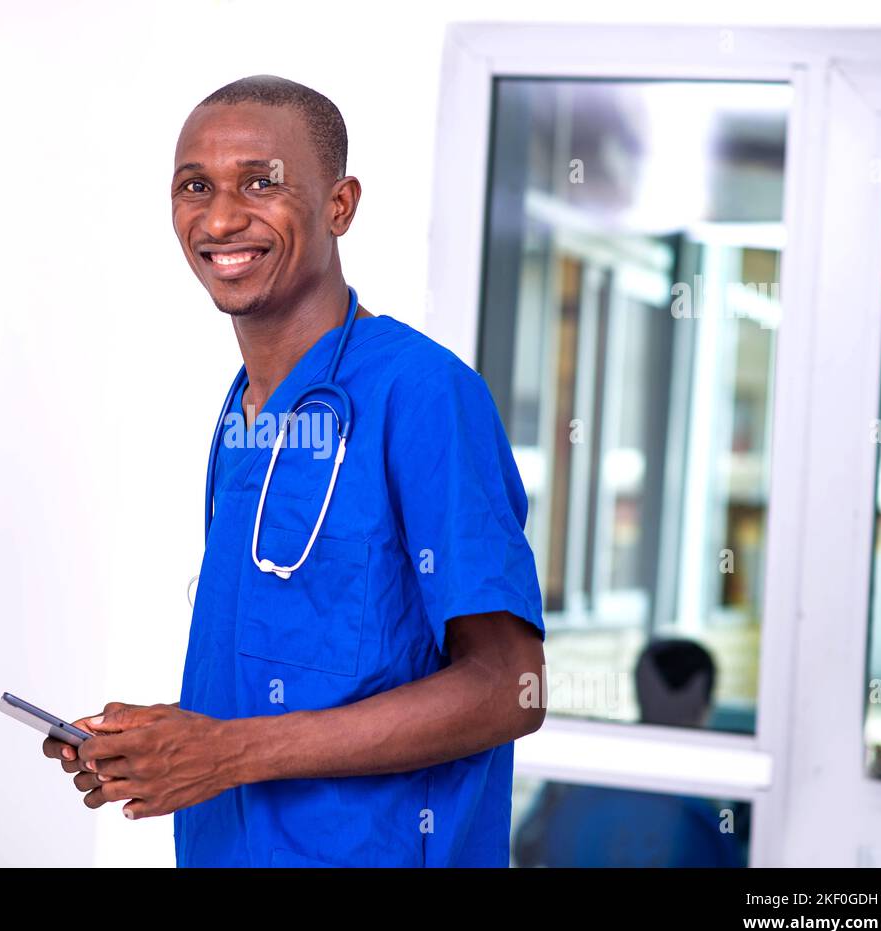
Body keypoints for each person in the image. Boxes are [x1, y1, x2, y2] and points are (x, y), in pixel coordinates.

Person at [42, 75, 547, 867]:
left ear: (339, 206)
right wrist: (165, 742)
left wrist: (228, 752)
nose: (219, 217)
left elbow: (510, 686)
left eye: (260, 183)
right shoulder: (244, 411)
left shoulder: (420, 394)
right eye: (195, 186)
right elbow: (303, 673)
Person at [513, 638, 748, 867]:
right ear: (706, 703)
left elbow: (526, 848)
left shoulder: (586, 765)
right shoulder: (728, 785)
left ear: (640, 692)